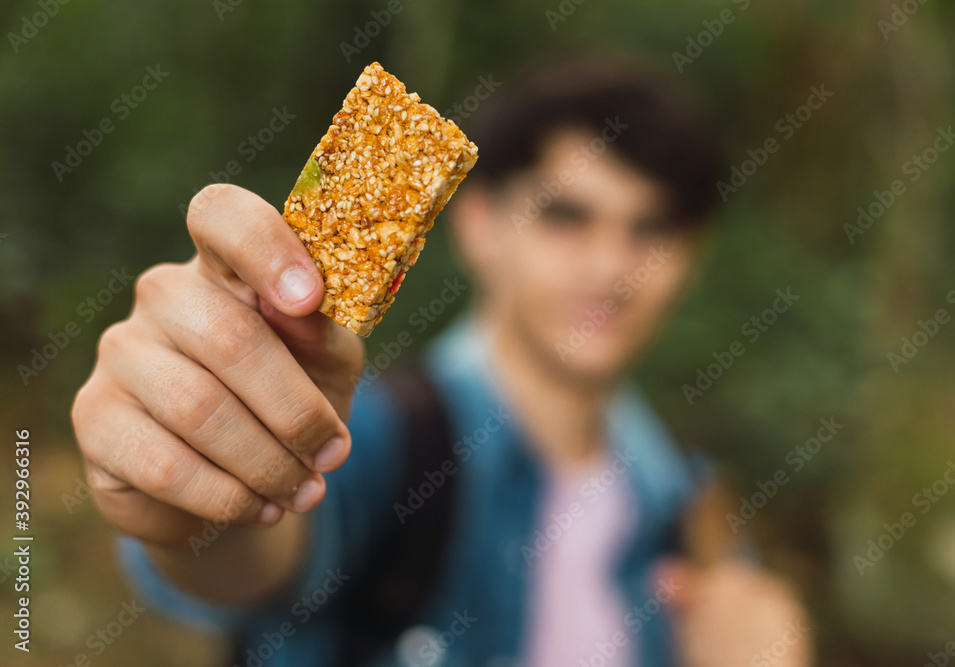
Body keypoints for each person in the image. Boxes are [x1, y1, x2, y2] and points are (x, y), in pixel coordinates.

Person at [71, 54, 811, 666]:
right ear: (481, 225)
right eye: (566, 215)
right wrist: (187, 475)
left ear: (690, 258)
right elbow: (246, 559)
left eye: (650, 228)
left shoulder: (688, 506)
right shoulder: (376, 434)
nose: (609, 267)